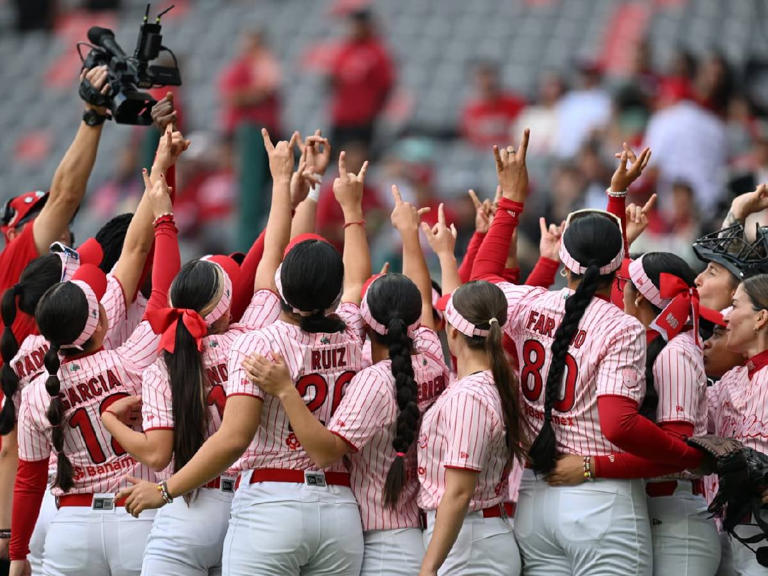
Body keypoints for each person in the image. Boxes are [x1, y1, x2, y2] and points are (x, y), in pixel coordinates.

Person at [116, 138, 372, 576]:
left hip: (226, 500)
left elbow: (172, 451)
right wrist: (300, 192)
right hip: (332, 505)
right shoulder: (345, 330)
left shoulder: (188, 352)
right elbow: (289, 261)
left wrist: (164, 218)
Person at [469, 130, 702, 575]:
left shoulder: (528, 303)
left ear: (565, 259)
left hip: (537, 497)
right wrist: (689, 454)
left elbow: (480, 283)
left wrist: (511, 202)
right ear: (620, 267)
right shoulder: (622, 325)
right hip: (599, 497)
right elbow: (619, 424)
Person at [242, 187, 449, 575]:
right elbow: (419, 302)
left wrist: (286, 390)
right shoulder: (433, 357)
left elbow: (327, 451)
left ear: (368, 323)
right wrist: (408, 235)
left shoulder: (374, 378)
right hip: (413, 531)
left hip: (378, 543)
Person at [8, 171, 180, 576]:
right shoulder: (130, 360)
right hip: (134, 516)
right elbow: (149, 273)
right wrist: (163, 206)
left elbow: (29, 482)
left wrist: (18, 555)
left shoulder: (36, 390)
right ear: (100, 322)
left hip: (70, 527)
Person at [549, 253, 720, 576]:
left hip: (676, 523)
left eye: (622, 284)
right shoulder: (652, 342)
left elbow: (679, 454)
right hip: (655, 509)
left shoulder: (674, 354)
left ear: (638, 296)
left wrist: (590, 467)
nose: (616, 290)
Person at [412, 278, 524, 576]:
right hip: (473, 536)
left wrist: (428, 567)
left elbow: (460, 492)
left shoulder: (469, 396)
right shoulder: (497, 379)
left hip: (469, 542)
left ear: (451, 330)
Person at [0, 66, 111, 359]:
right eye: (34, 218)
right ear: (12, 234)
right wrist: (93, 116)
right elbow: (65, 198)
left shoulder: (72, 273)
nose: (59, 225)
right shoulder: (12, 265)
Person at [707, 274, 768, 575]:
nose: (726, 316)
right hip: (728, 530)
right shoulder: (731, 380)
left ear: (760, 317)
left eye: (734, 305)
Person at [327, 7, 394, 151]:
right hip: (341, 117)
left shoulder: (377, 52)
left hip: (362, 119)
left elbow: (386, 86)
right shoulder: (345, 50)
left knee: (355, 158)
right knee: (336, 158)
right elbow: (334, 80)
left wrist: (373, 113)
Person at [219, 28, 282, 138]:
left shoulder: (264, 66)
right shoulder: (239, 69)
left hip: (267, 128)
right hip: (246, 129)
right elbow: (231, 97)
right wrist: (260, 93)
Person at [460, 62, 526, 149]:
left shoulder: (515, 104)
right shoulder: (471, 109)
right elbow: (469, 139)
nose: (487, 87)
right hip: (482, 155)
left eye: (490, 87)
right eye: (483, 87)